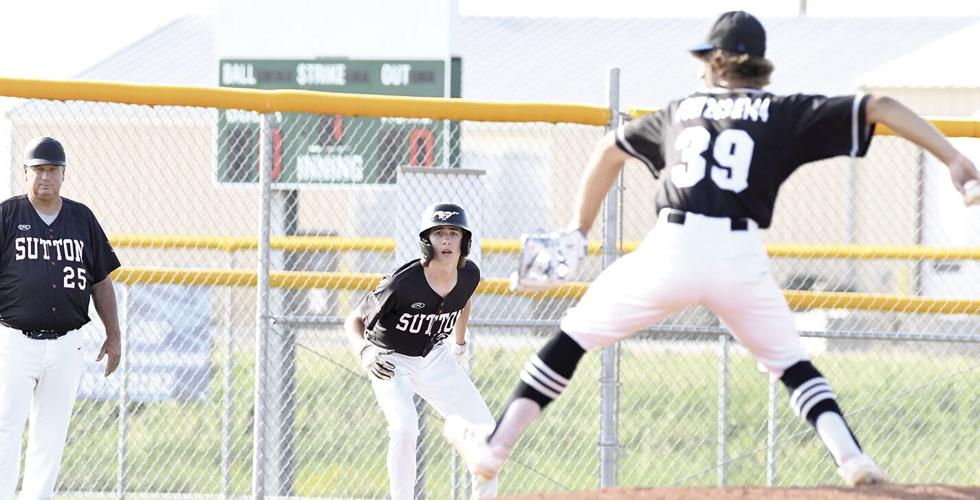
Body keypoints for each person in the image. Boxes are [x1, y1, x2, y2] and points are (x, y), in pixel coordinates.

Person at [445, 10, 980, 487]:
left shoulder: (679, 110)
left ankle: (495, 448)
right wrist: (954, 159)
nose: (702, 68)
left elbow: (610, 148)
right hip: (739, 255)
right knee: (792, 363)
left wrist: (578, 230)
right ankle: (853, 460)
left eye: (706, 59)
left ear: (719, 62)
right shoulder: (783, 112)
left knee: (573, 336)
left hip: (672, 248)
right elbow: (880, 105)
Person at [345, 202, 497, 499]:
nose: (446, 240)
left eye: (453, 233)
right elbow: (354, 319)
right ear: (427, 241)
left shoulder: (469, 274)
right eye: (439, 233)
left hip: (433, 355)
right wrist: (365, 351)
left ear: (464, 241)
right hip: (388, 358)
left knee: (487, 432)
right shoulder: (401, 283)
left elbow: (464, 298)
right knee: (404, 428)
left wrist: (459, 342)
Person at [0, 136, 122, 499]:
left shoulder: (82, 218)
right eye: (38, 169)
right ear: (25, 172)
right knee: (5, 428)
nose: (45, 177)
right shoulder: (7, 215)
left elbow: (101, 280)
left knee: (50, 435)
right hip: (14, 341)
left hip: (67, 344)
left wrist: (114, 334)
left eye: (53, 169)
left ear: (64, 174)